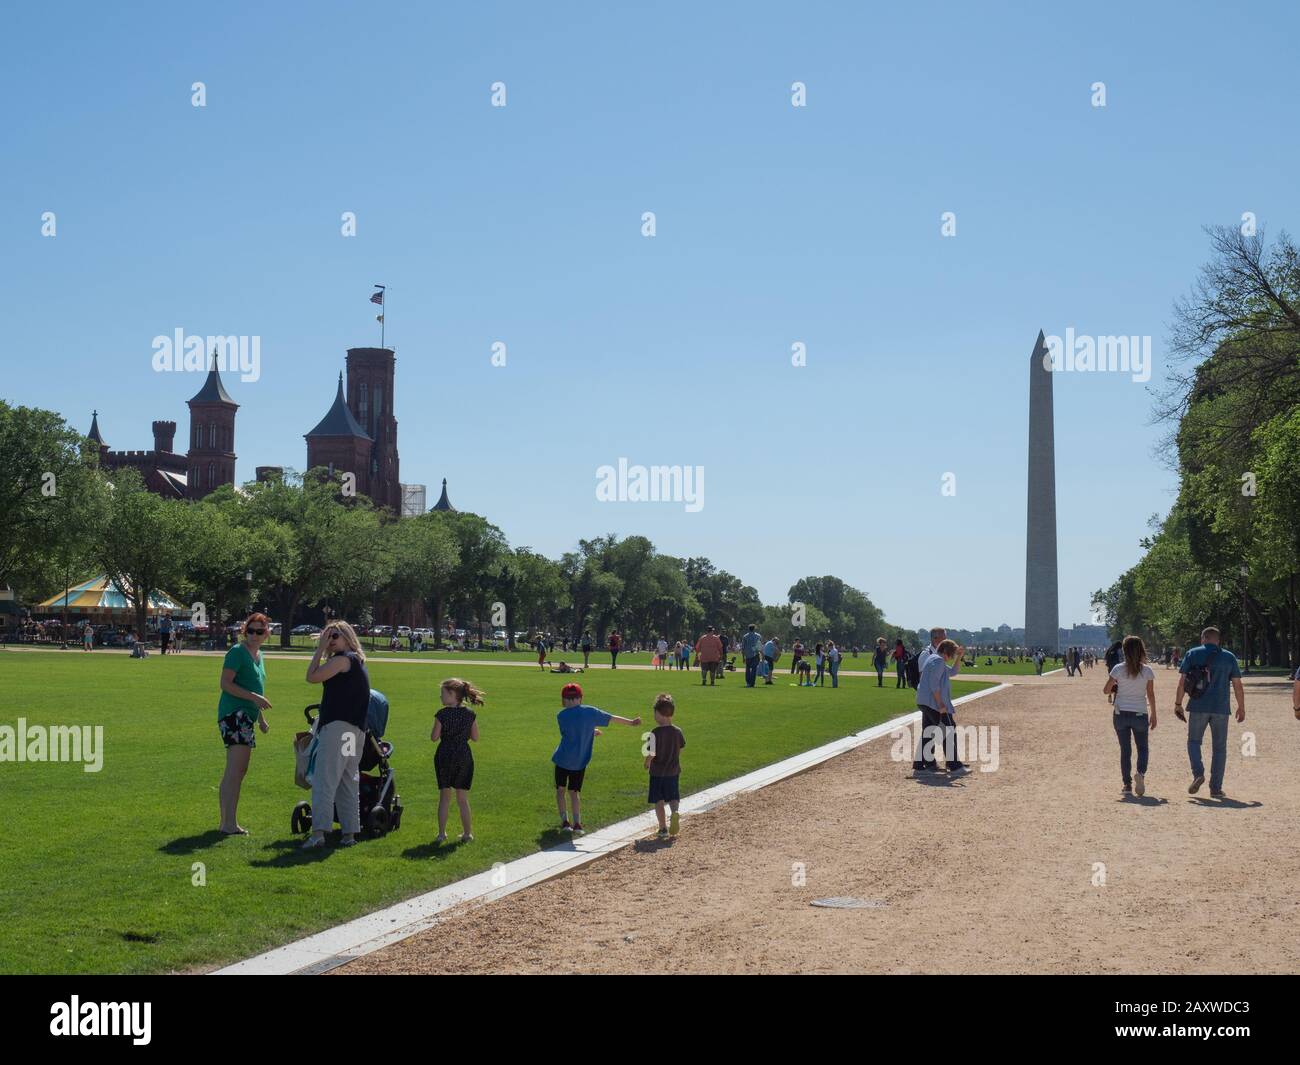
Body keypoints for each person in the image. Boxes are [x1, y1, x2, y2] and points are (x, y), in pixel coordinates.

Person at [302, 621, 371, 849]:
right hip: (354, 731)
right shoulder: (356, 660)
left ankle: (319, 833)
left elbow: (311, 677)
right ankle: (349, 833)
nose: (330, 640)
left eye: (335, 636)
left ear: (347, 638)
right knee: (347, 780)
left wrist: (320, 648)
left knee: (325, 780)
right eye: (327, 636)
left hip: (339, 729)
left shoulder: (342, 659)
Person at [551, 682, 640, 835]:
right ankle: (577, 824)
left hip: (562, 759)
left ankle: (565, 822)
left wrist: (590, 731)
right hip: (579, 762)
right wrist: (631, 722)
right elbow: (611, 718)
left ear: (564, 700)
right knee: (574, 793)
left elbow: (571, 734)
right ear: (580, 698)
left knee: (560, 790)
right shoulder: (591, 712)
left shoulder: (561, 716)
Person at [217, 613, 272, 835]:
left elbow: (255, 690)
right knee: (235, 770)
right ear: (244, 631)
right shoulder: (237, 652)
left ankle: (228, 822)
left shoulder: (259, 655)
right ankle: (228, 823)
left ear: (267, 633)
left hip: (246, 717)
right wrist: (254, 699)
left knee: (238, 770)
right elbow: (225, 684)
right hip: (234, 715)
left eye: (260, 631)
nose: (255, 635)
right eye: (251, 630)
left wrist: (261, 718)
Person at [1174, 626, 1244, 799]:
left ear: (1203, 638)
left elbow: (1182, 682)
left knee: (1193, 742)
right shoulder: (1229, 657)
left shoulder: (1192, 653)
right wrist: (1241, 706)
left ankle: (1198, 773)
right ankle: (1216, 788)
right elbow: (1237, 684)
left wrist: (1178, 703)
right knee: (1219, 748)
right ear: (1218, 640)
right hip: (1221, 707)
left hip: (1198, 705)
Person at [1102, 636, 1157, 795]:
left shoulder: (1118, 669)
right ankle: (1140, 773)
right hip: (1140, 712)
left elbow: (1106, 690)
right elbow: (1151, 695)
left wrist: (1116, 686)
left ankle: (1127, 784)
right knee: (1143, 748)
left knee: (1125, 750)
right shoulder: (1147, 670)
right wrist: (1154, 714)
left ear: (1124, 651)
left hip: (1121, 713)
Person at [431, 678, 483, 844]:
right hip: (463, 756)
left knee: (444, 798)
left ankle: (441, 833)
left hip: (445, 755)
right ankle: (467, 833)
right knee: (462, 799)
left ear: (452, 694)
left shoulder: (441, 714)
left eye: (443, 694)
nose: (441, 697)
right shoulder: (470, 714)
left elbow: (434, 738)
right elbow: (475, 738)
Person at [914, 639, 964, 773]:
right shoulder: (938, 661)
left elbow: (953, 672)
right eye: (953, 654)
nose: (952, 657)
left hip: (924, 701)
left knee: (928, 732)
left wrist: (959, 657)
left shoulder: (934, 659)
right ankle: (954, 765)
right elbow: (933, 684)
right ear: (946, 652)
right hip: (932, 703)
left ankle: (920, 765)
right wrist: (940, 704)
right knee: (947, 730)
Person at [644, 692, 685, 838]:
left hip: (657, 773)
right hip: (673, 771)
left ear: (659, 714)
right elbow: (680, 748)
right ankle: (674, 812)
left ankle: (662, 828)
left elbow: (652, 753)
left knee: (659, 800)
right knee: (674, 796)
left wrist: (647, 762)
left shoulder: (654, 733)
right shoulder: (678, 731)